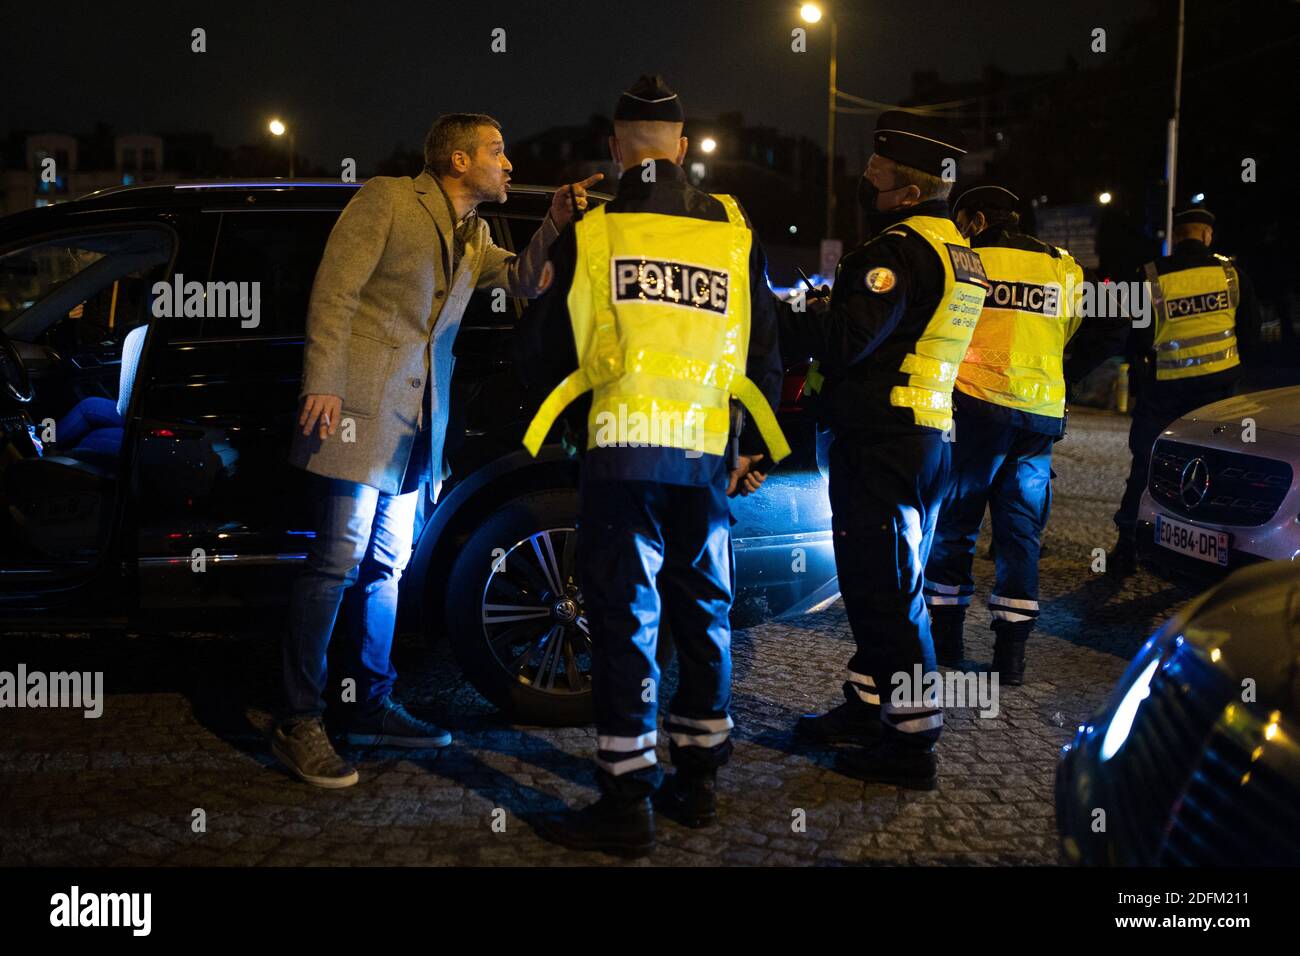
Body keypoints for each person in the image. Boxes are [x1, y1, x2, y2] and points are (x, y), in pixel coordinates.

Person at [273, 112, 601, 788]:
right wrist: (324, 386)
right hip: (359, 413)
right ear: (457, 161)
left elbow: (525, 282)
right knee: (334, 562)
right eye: (497, 151)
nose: (509, 164)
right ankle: (298, 719)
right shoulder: (389, 198)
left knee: (388, 566)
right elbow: (335, 292)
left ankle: (370, 702)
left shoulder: (474, 235)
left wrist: (553, 226)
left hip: (417, 428)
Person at [515, 75, 788, 855]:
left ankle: (625, 799)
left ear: (613, 147)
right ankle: (699, 782)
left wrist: (571, 422)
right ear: (683, 145)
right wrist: (747, 445)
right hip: (704, 456)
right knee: (704, 610)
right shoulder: (734, 231)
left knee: (626, 620)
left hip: (621, 454)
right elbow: (763, 347)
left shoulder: (595, 232)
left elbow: (537, 351)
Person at [783, 111, 988, 790]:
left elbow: (849, 344)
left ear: (905, 185)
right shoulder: (958, 249)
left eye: (877, 166)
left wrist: (809, 319)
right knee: (890, 581)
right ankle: (871, 705)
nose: (866, 172)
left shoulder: (895, 252)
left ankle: (911, 743)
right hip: (926, 437)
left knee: (886, 592)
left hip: (884, 442)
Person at [921, 185, 1086, 684]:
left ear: (973, 220)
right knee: (1020, 534)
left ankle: (947, 641)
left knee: (957, 524)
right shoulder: (1063, 265)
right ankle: (1009, 659)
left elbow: (940, 326)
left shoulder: (964, 260)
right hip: (1038, 418)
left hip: (975, 408)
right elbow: (1069, 328)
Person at [1111, 204, 1260, 573]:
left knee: (1147, 463)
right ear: (1207, 235)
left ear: (1176, 237)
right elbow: (1252, 333)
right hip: (1219, 395)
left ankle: (1127, 545)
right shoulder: (1230, 274)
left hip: (1165, 393)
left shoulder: (1149, 276)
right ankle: (1216, 551)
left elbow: (1137, 340)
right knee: (1219, 469)